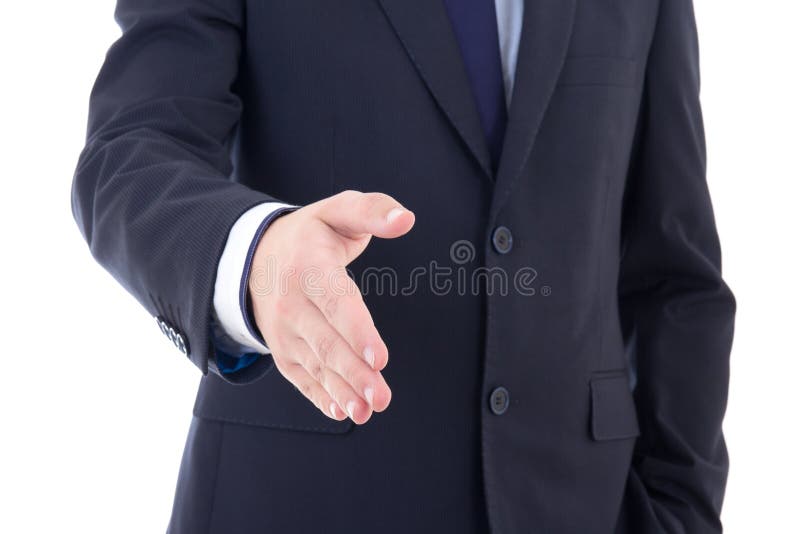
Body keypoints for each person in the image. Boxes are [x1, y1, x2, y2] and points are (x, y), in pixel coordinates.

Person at [71, 0, 736, 532]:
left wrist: (682, 511)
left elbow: (675, 277)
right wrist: (257, 254)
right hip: (299, 501)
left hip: (580, 505)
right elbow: (130, 152)